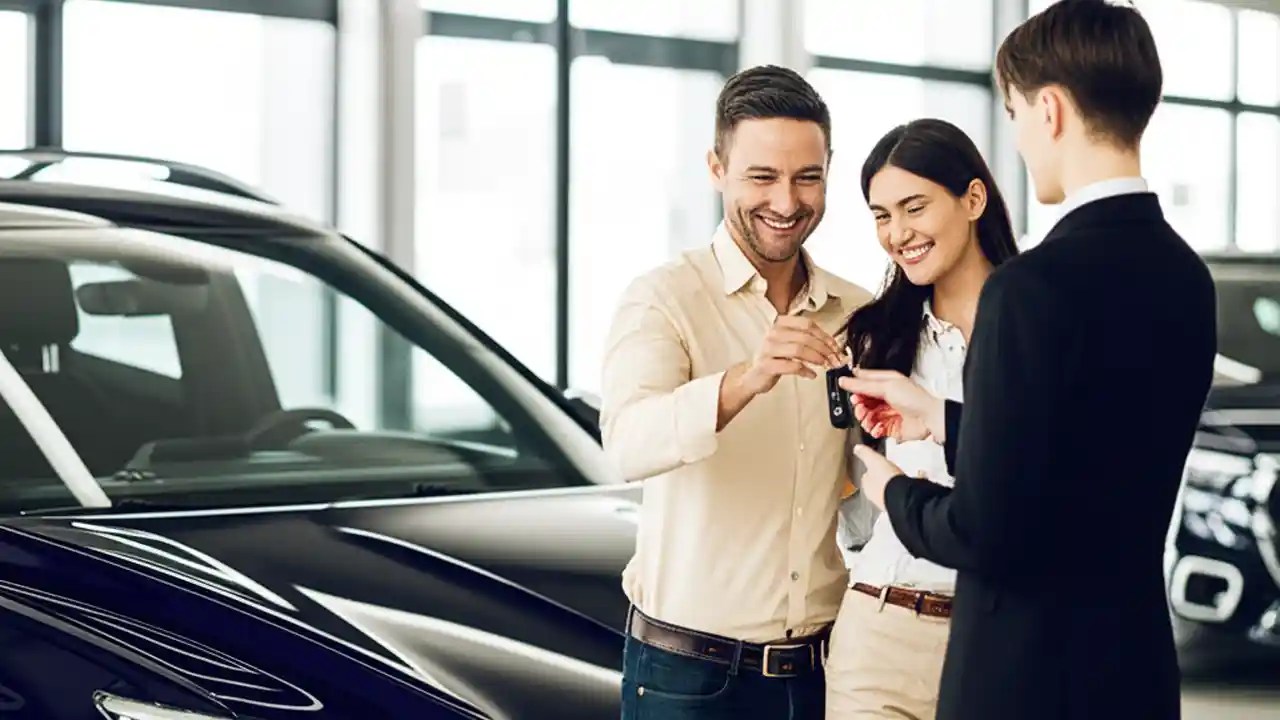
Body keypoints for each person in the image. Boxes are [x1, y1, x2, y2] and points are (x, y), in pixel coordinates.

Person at [839, 2, 1218, 719]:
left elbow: (983, 530)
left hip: (1020, 680)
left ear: (1048, 111)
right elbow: (1086, 462)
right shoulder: (1185, 277)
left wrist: (889, 485)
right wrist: (946, 420)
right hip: (1132, 675)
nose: (1015, 138)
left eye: (1011, 114)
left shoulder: (1031, 288)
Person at [599, 64, 874, 720]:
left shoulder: (858, 312)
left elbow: (862, 498)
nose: (786, 201)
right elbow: (628, 443)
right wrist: (746, 380)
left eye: (807, 177)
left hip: (823, 669)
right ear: (717, 167)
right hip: (687, 679)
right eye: (762, 177)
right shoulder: (664, 298)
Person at [824, 119, 1019, 720]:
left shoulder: (1034, 328)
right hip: (878, 634)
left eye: (914, 207)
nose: (898, 233)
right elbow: (852, 506)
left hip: (1000, 639)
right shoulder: (872, 337)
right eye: (882, 215)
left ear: (973, 199)